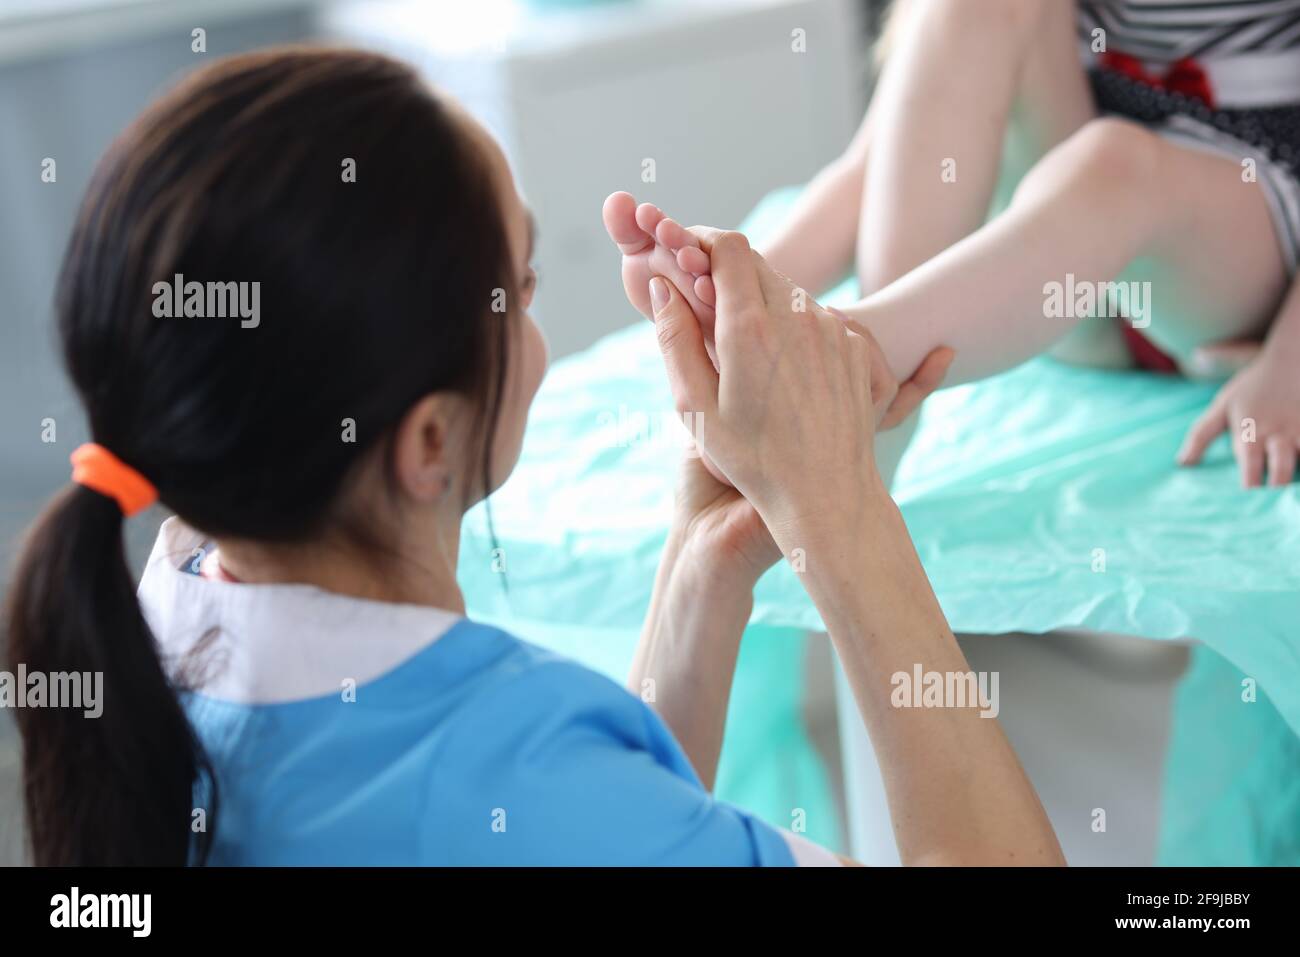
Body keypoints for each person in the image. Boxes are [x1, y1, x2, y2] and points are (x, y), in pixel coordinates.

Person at [4, 47, 1061, 866]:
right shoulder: (499, 775)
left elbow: (603, 816)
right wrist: (843, 517)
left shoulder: (171, 605)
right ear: (428, 440)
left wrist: (701, 562)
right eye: (523, 290)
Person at [604, 0, 1300, 489]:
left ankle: (845, 359)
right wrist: (737, 285)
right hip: (1060, 269)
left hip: (1222, 256)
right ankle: (867, 451)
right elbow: (878, 164)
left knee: (1112, 162)